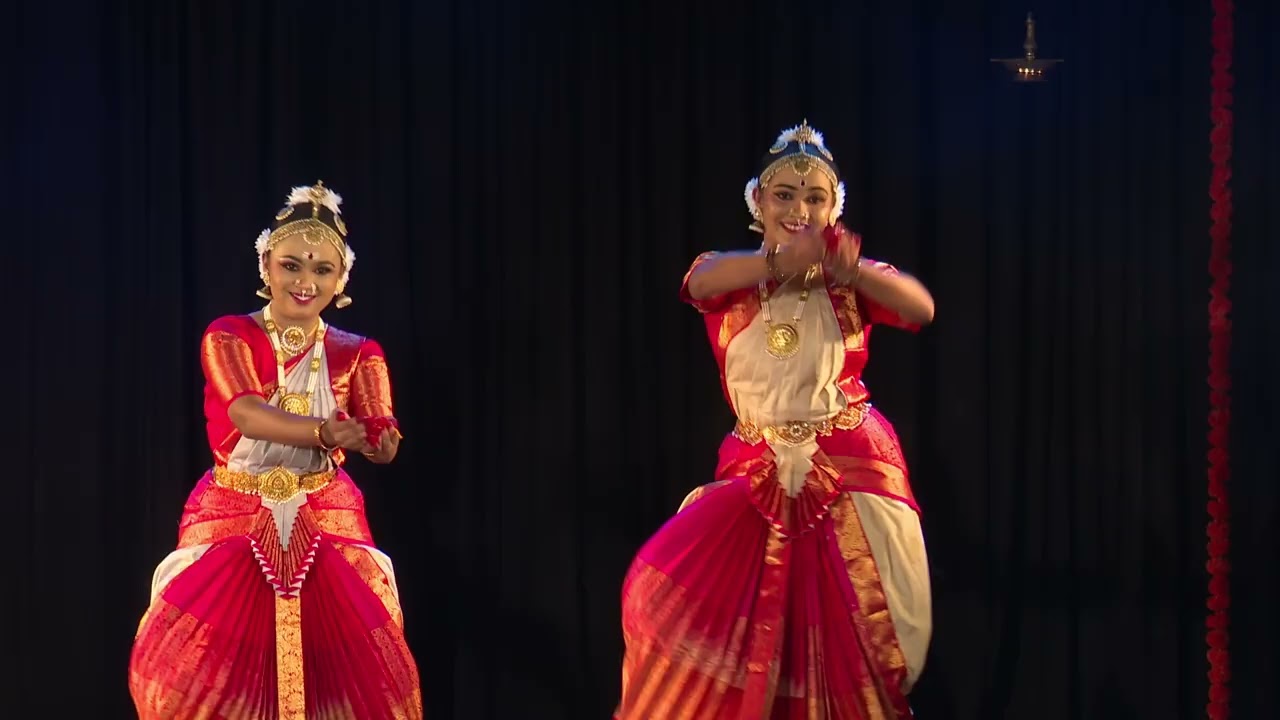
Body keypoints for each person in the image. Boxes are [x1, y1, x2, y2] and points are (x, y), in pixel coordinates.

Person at [615, 122, 935, 718]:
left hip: (848, 468)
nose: (798, 207)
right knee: (670, 607)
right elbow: (701, 281)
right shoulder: (727, 273)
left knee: (856, 636)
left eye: (815, 197)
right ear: (757, 202)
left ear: (832, 209)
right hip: (754, 470)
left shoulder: (852, 283)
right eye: (783, 193)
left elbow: (921, 305)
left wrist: (851, 268)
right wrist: (780, 259)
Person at [129, 182, 423, 719]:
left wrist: (378, 442)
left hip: (325, 510)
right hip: (234, 509)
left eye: (321, 270)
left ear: (342, 280)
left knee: (352, 671)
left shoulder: (357, 352)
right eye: (291, 265)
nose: (305, 281)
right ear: (266, 266)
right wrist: (326, 433)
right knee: (197, 671)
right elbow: (244, 413)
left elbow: (382, 436)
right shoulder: (230, 335)